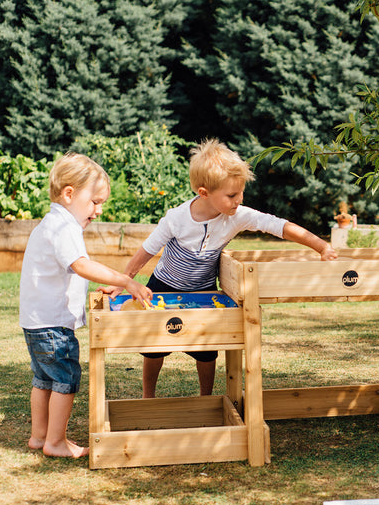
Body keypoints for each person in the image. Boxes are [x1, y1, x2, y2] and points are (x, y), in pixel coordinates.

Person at [112, 138, 338, 398]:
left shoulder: (237, 215)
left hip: (205, 291)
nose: (238, 200)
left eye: (241, 192)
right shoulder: (176, 218)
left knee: (207, 350)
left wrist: (320, 246)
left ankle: (206, 399)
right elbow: (146, 251)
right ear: (204, 192)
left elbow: (279, 225)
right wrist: (123, 281)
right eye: (231, 195)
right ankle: (147, 398)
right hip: (163, 286)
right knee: (154, 347)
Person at [19, 153, 152, 458]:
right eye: (94, 201)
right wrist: (126, 280)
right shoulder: (65, 227)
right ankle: (55, 442)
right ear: (69, 194)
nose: (99, 209)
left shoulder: (51, 223)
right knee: (65, 379)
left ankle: (39, 437)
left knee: (43, 379)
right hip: (53, 325)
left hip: (35, 322)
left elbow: (66, 271)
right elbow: (80, 265)